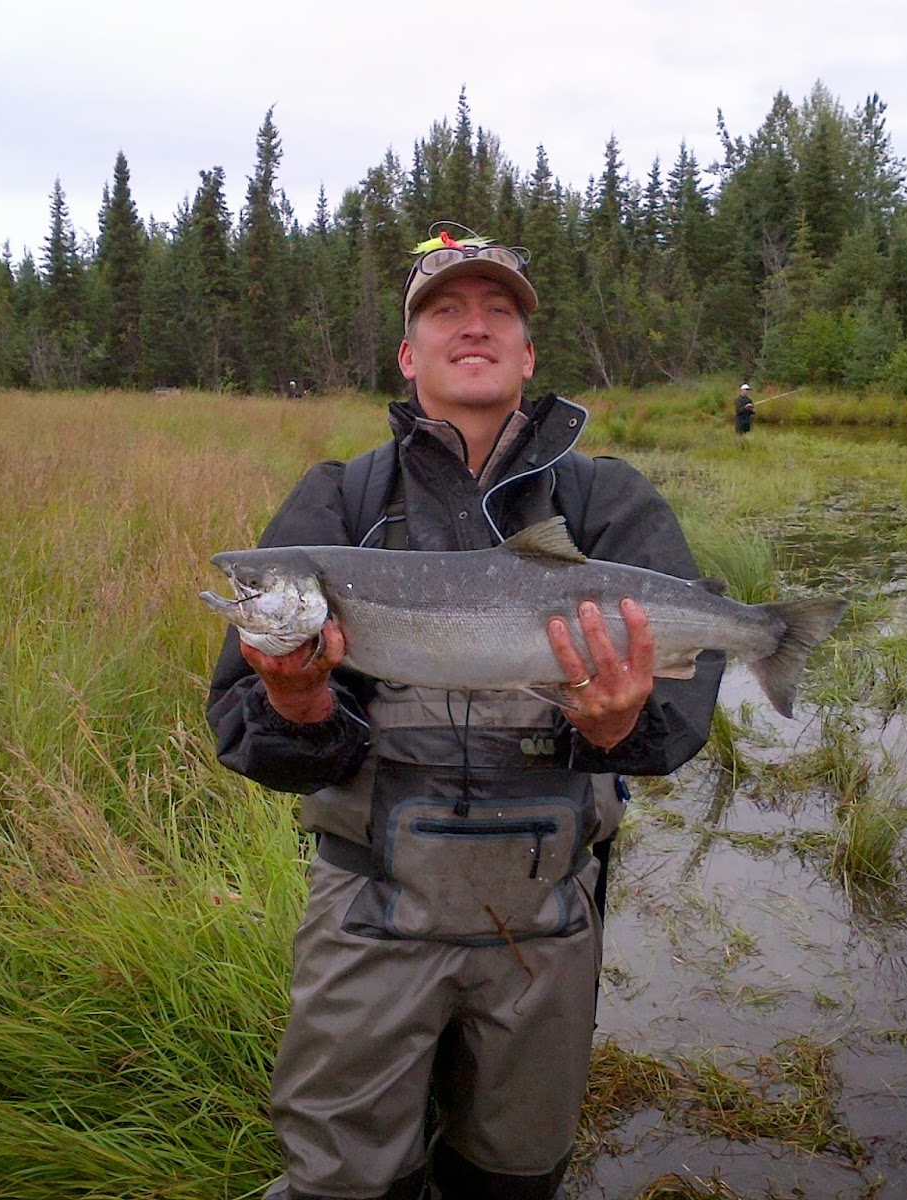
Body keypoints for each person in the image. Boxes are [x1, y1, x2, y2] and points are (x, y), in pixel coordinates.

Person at [207, 227, 722, 1200]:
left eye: (497, 311)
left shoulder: (608, 501)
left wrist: (617, 727)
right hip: (369, 908)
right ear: (409, 355)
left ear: (528, 355)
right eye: (446, 310)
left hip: (547, 914)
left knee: (513, 1176)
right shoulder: (341, 500)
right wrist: (299, 703)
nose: (473, 326)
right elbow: (250, 733)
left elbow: (677, 720)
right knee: (345, 1181)